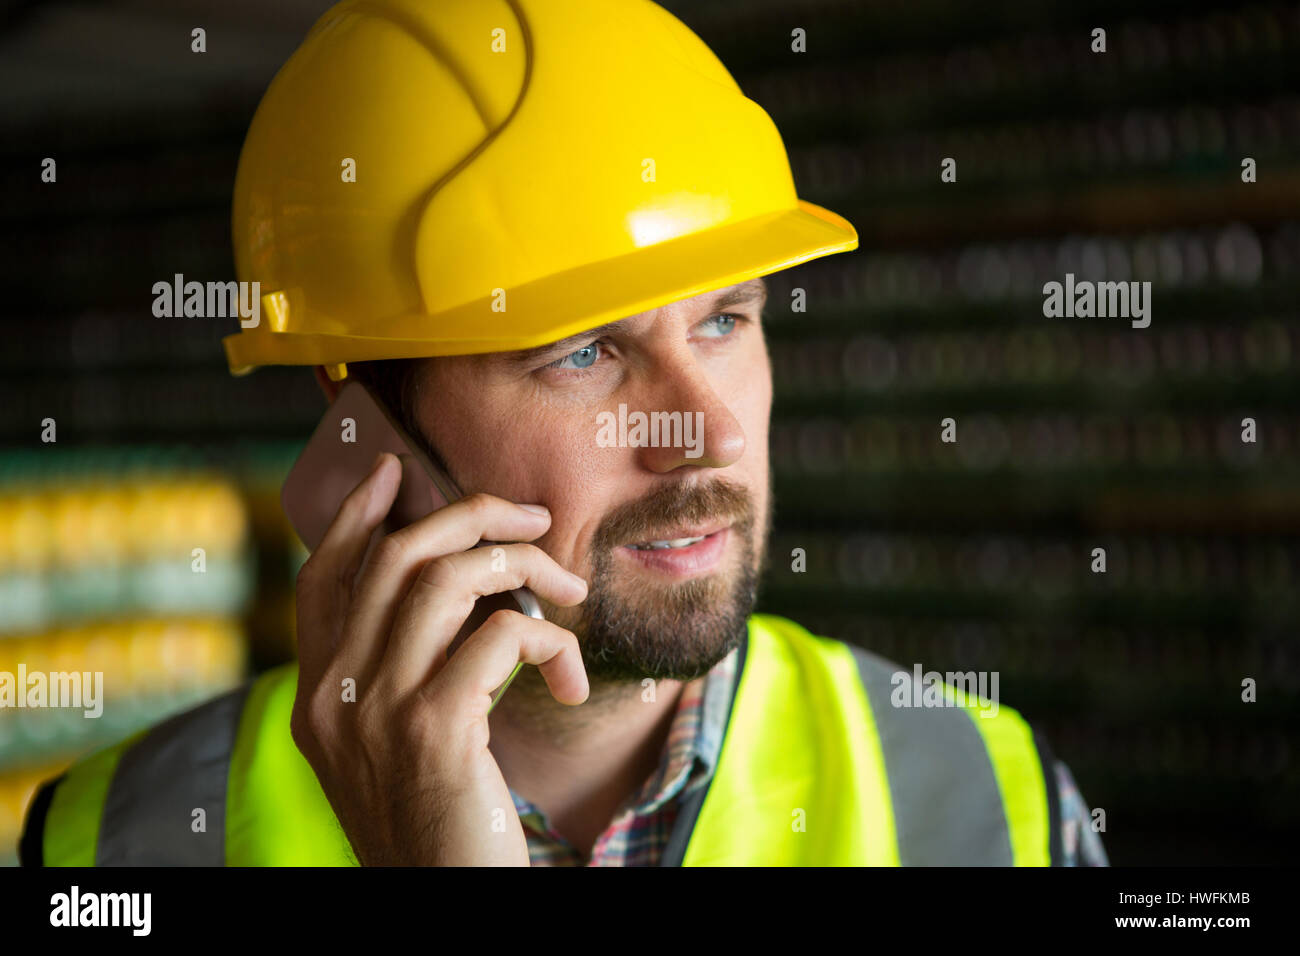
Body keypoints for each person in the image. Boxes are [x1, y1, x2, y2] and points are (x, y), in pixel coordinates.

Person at [22, 0, 1106, 866]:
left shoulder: (989, 802)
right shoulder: (112, 845)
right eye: (583, 352)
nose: (712, 434)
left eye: (725, 320)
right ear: (364, 430)